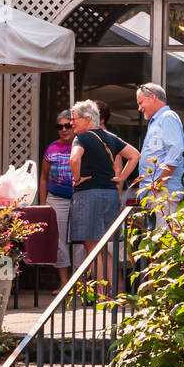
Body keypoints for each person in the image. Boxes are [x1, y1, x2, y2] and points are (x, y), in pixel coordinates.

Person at [68, 100, 139, 289]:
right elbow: (135, 155)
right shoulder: (111, 137)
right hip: (109, 195)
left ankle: (101, 294)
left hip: (88, 194)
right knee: (105, 246)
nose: (71, 123)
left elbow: (74, 158)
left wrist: (76, 179)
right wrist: (121, 177)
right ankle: (116, 293)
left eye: (74, 119)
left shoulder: (82, 138)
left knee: (92, 247)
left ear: (88, 119)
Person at [134, 82, 184, 232]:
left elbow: (176, 151)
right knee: (158, 241)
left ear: (152, 97)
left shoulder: (167, 117)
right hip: (157, 192)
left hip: (163, 192)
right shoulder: (158, 120)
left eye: (141, 102)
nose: (139, 108)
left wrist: (159, 182)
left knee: (165, 239)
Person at [39, 110, 78, 285]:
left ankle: (79, 281)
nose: (64, 129)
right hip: (56, 199)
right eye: (60, 126)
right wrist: (42, 204)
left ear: (74, 126)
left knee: (80, 239)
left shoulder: (81, 145)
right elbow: (43, 178)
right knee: (59, 241)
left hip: (79, 198)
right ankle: (64, 281)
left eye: (68, 125)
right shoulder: (52, 148)